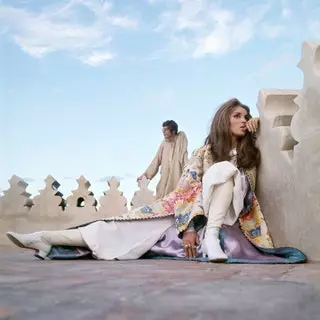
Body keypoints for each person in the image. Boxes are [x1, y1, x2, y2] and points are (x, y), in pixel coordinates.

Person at [6, 98, 307, 264]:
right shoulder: (205, 152)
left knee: (226, 172)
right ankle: (46, 238)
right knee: (120, 230)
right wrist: (188, 226)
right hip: (192, 212)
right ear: (224, 121)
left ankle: (213, 236)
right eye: (238, 116)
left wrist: (256, 129)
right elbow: (186, 190)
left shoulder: (250, 149)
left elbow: (244, 188)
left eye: (247, 116)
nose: (244, 120)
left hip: (232, 214)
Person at [137, 120, 188, 199]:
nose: (163, 132)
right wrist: (145, 175)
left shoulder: (181, 139)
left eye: (165, 130)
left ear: (173, 131)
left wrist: (188, 173)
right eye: (162, 130)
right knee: (162, 199)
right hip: (165, 178)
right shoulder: (164, 144)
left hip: (177, 177)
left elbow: (184, 156)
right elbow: (156, 160)